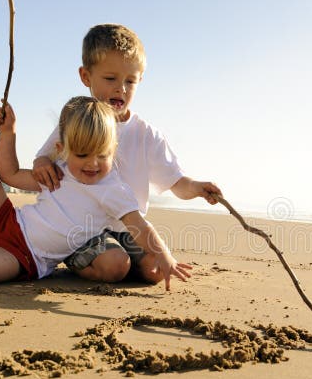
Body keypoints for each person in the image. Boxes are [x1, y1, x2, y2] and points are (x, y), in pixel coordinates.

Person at [0, 96, 191, 290]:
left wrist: (164, 256)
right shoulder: (59, 171)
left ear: (113, 151)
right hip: (6, 221)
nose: (92, 164)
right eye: (82, 154)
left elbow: (140, 226)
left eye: (101, 155)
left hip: (23, 256)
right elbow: (9, 174)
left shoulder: (113, 190)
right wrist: (8, 132)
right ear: (62, 150)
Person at [29, 24, 221, 285]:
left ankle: (123, 261)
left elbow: (176, 182)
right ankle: (83, 258)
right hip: (84, 227)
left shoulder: (147, 134)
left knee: (154, 271)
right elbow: (45, 158)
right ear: (86, 76)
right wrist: (41, 162)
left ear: (140, 80)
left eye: (130, 81)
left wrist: (197, 188)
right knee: (113, 266)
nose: (121, 88)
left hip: (128, 228)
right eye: (110, 79)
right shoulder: (78, 122)